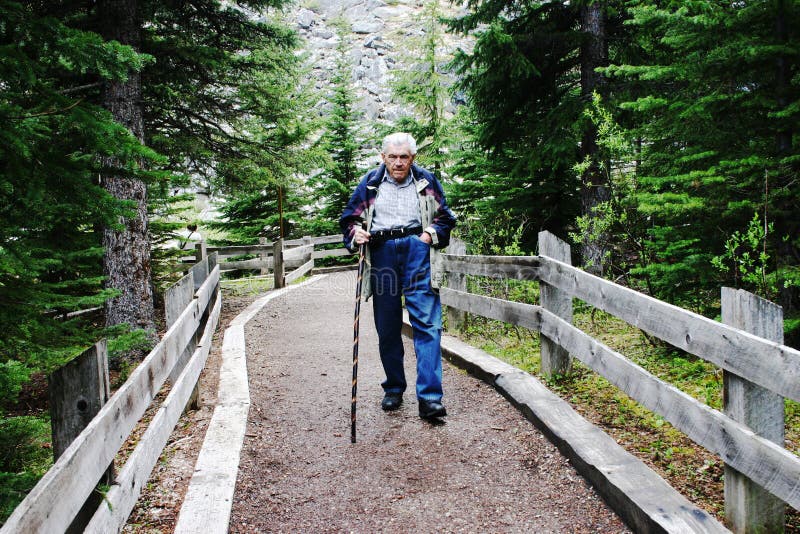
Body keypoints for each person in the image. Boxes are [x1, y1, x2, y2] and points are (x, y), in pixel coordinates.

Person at [340, 132, 457, 420]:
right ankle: (394, 387)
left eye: (404, 157)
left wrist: (430, 235)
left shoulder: (426, 180)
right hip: (382, 253)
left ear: (412, 158)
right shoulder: (370, 183)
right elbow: (349, 218)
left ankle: (430, 399)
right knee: (388, 325)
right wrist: (356, 232)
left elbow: (446, 217)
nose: (398, 162)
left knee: (427, 324)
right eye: (392, 157)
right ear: (383, 157)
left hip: (417, 250)